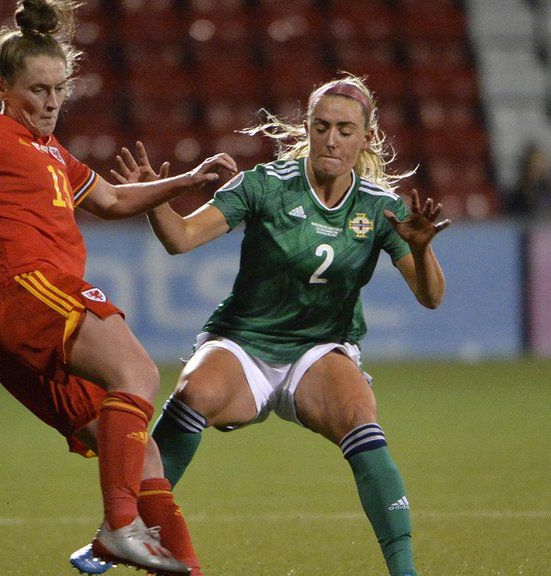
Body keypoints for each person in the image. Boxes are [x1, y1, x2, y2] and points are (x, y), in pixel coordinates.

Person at [0, 1, 237, 574]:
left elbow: (114, 201)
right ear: (2, 87)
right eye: (37, 89)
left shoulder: (54, 155)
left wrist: (187, 181)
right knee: (138, 373)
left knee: (144, 453)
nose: (49, 102)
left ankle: (184, 567)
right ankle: (119, 528)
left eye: (59, 89)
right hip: (22, 289)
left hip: (19, 326)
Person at [115, 74, 449, 576]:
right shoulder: (264, 185)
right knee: (194, 392)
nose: (331, 139)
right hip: (244, 342)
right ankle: (125, 531)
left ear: (365, 138)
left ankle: (405, 572)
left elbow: (431, 296)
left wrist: (421, 252)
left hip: (319, 350)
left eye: (344, 129)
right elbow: (180, 238)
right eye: (321, 127)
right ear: (308, 130)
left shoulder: (382, 208)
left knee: (360, 413)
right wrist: (153, 198)